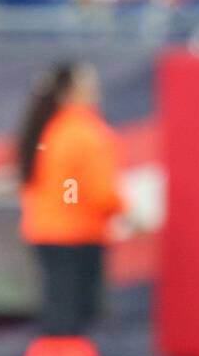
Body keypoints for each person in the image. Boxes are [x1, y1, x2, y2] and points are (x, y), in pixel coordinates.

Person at [17, 62, 125, 337]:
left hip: (47, 232)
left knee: (58, 310)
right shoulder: (86, 133)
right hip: (77, 235)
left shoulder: (50, 130)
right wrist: (126, 209)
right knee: (71, 316)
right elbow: (100, 192)